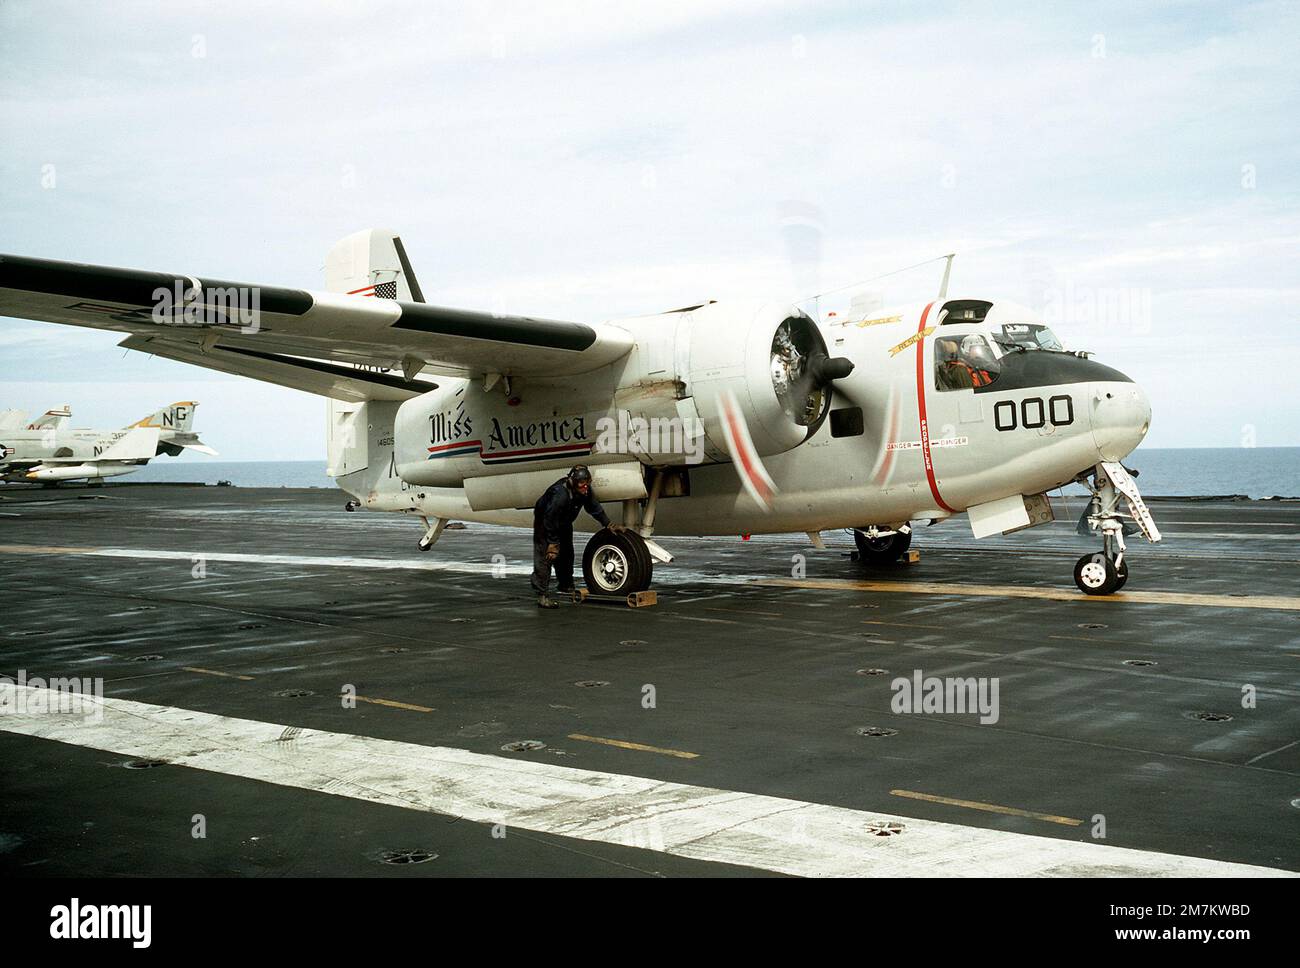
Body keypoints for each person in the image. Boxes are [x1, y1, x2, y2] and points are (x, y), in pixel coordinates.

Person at [531, 465, 622, 609]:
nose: (585, 487)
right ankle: (542, 594)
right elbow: (550, 518)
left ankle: (565, 584)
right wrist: (552, 543)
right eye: (582, 484)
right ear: (573, 483)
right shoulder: (559, 494)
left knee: (567, 554)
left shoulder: (584, 490)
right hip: (546, 523)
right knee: (546, 557)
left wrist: (608, 524)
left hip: (564, 522)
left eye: (587, 483)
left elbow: (594, 507)